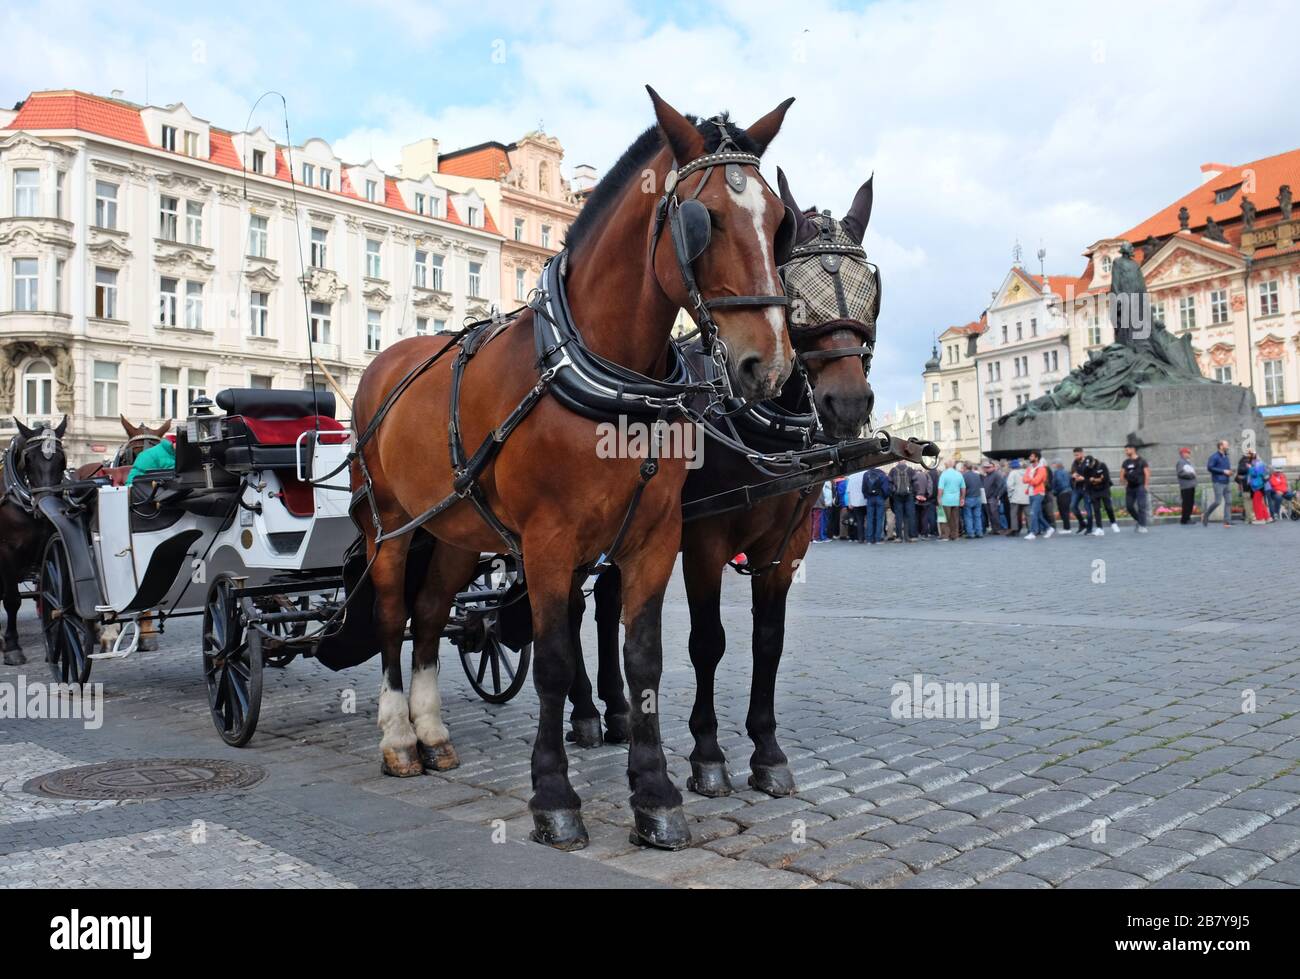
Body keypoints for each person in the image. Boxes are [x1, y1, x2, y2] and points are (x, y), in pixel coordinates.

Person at [1202, 439, 1234, 527]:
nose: (1228, 446)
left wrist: (1230, 472)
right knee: (1218, 502)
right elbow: (1210, 468)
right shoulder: (1214, 457)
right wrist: (1223, 471)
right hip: (1218, 482)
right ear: (1221, 446)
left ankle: (1227, 521)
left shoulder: (1226, 456)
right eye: (1226, 445)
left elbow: (1226, 469)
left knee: (1229, 501)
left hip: (1226, 481)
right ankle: (1206, 515)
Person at [1023, 451, 1053, 539]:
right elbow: (1023, 480)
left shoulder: (1042, 469)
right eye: (1030, 456)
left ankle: (1033, 532)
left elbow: (1036, 481)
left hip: (1039, 493)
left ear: (1036, 458)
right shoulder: (1029, 468)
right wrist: (1030, 479)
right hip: (1031, 493)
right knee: (1038, 514)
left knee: (1032, 512)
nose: (1030, 457)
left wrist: (1029, 479)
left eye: (1032, 456)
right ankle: (1049, 528)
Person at [1121, 444, 1150, 533]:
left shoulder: (1142, 461)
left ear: (1133, 449)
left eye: (1127, 450)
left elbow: (1147, 473)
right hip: (1130, 487)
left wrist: (1145, 485)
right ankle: (1139, 521)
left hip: (1140, 486)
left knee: (1141, 506)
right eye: (1125, 450)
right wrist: (1124, 482)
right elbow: (1122, 474)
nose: (1126, 452)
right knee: (1129, 506)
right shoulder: (1126, 462)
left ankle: (1143, 526)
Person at [1084, 454, 1116, 535]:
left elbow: (1106, 478)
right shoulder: (1086, 469)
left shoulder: (1102, 465)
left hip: (1104, 489)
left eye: (1090, 464)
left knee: (1108, 507)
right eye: (1088, 465)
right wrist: (1097, 480)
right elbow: (1087, 481)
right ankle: (1099, 528)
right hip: (1093, 490)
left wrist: (1095, 479)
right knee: (1096, 509)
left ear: (1094, 461)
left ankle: (1113, 523)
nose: (1089, 466)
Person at [889, 461, 915, 542]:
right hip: (909, 495)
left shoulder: (893, 470)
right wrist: (912, 492)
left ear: (898, 461)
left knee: (898, 517)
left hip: (897, 496)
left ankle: (899, 537)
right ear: (905, 461)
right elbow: (915, 482)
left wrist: (893, 492)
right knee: (909, 516)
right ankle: (910, 536)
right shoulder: (910, 469)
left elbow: (889, 482)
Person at [937, 460, 963, 541]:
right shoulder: (959, 474)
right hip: (956, 500)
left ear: (946, 465)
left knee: (944, 519)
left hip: (946, 500)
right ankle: (954, 535)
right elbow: (963, 488)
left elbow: (940, 488)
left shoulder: (944, 475)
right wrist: (962, 498)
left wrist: (939, 498)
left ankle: (945, 536)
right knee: (955, 519)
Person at [1068, 448, 1093, 534]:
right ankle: (1082, 523)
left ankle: (1089, 528)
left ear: (1082, 453)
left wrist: (1083, 478)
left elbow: (1092, 475)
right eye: (1074, 455)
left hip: (1087, 488)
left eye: (1077, 455)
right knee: (1072, 506)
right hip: (1077, 488)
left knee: (1088, 509)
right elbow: (1072, 472)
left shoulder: (1088, 461)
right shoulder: (1075, 463)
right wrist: (1073, 475)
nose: (1076, 457)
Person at [862, 467, 888, 543]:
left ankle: (869, 539)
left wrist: (867, 496)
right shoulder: (882, 474)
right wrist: (883, 497)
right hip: (880, 498)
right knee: (879, 519)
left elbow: (863, 488)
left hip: (870, 498)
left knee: (869, 519)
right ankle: (878, 539)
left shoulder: (866, 474)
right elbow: (886, 489)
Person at [982, 460, 1007, 535]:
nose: (986, 468)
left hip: (993, 497)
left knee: (994, 514)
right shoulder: (987, 475)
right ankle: (994, 529)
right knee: (990, 515)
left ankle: (998, 529)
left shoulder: (996, 475)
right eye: (985, 467)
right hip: (987, 498)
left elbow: (1003, 486)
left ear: (993, 467)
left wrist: (998, 495)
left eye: (988, 467)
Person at [961, 461, 985, 538]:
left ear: (965, 467)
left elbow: (963, 488)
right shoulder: (977, 475)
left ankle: (970, 533)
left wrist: (961, 498)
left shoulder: (964, 476)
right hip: (978, 497)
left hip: (968, 497)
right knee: (977, 516)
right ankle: (979, 532)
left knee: (968, 516)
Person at [1175, 447, 1197, 525]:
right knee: (1187, 503)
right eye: (1187, 453)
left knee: (1190, 502)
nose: (1189, 454)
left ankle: (1187, 518)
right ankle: (1185, 519)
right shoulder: (1181, 462)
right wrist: (1191, 475)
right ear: (1183, 454)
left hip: (1190, 485)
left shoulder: (1187, 462)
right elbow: (1180, 473)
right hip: (1186, 486)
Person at [1006, 460, 1029, 536]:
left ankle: (1015, 530)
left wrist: (1010, 495)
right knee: (1028, 514)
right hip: (1026, 496)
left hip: (1015, 497)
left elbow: (1009, 485)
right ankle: (1031, 529)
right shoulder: (1028, 472)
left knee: (1014, 514)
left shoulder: (1013, 473)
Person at [1247, 454, 1271, 523]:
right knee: (1260, 503)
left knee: (1256, 503)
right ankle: (1267, 517)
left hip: (1258, 486)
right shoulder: (1261, 463)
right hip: (1261, 485)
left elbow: (1255, 474)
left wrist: (1250, 468)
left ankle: (1260, 519)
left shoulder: (1257, 464)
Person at [912, 465, 934, 539]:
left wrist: (916, 495)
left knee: (916, 517)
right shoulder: (927, 476)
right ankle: (924, 533)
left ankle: (916, 533)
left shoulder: (914, 476)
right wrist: (926, 496)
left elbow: (912, 487)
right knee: (924, 517)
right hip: (925, 500)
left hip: (916, 500)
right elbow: (930, 487)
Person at [846, 469, 868, 542]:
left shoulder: (851, 476)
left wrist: (849, 502)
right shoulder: (866, 473)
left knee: (859, 521)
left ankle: (860, 538)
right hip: (866, 501)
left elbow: (848, 491)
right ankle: (868, 536)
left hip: (855, 502)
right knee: (868, 520)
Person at [1050, 462, 1072, 532]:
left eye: (1053, 464)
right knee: (1066, 511)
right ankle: (1067, 528)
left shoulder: (1057, 472)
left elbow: (1059, 483)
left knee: (1063, 511)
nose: (1052, 466)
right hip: (1068, 493)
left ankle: (1067, 528)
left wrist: (1054, 491)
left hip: (1062, 494)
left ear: (1057, 465)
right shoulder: (1066, 472)